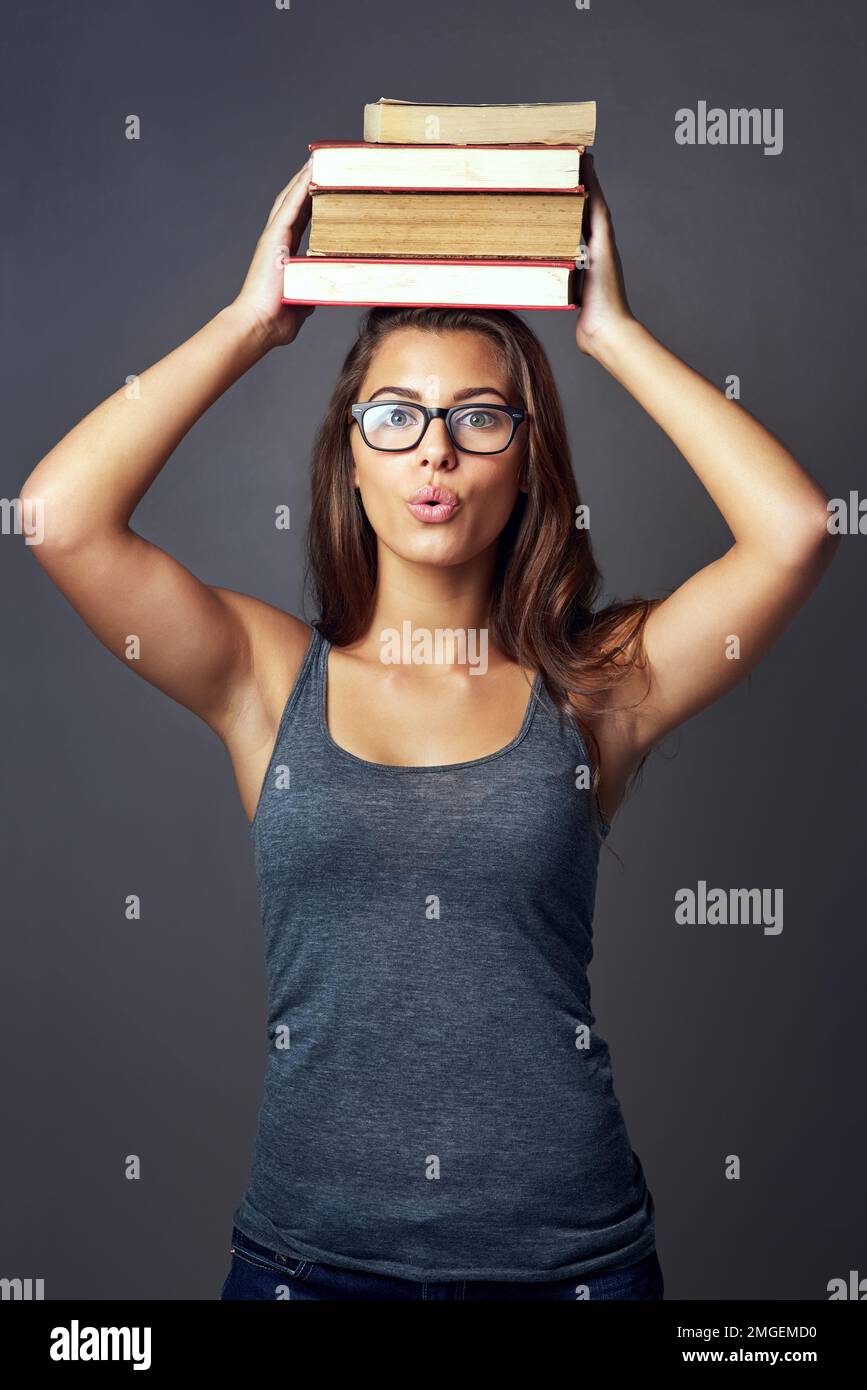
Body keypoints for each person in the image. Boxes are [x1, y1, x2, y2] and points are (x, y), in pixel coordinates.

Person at [20, 153, 838, 1302]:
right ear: (351, 461)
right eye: (395, 416)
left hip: (571, 1273)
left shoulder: (595, 684)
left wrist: (608, 331)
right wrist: (257, 320)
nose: (435, 450)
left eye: (479, 417)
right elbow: (57, 518)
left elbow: (797, 531)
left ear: (530, 463)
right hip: (308, 1268)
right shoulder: (267, 677)